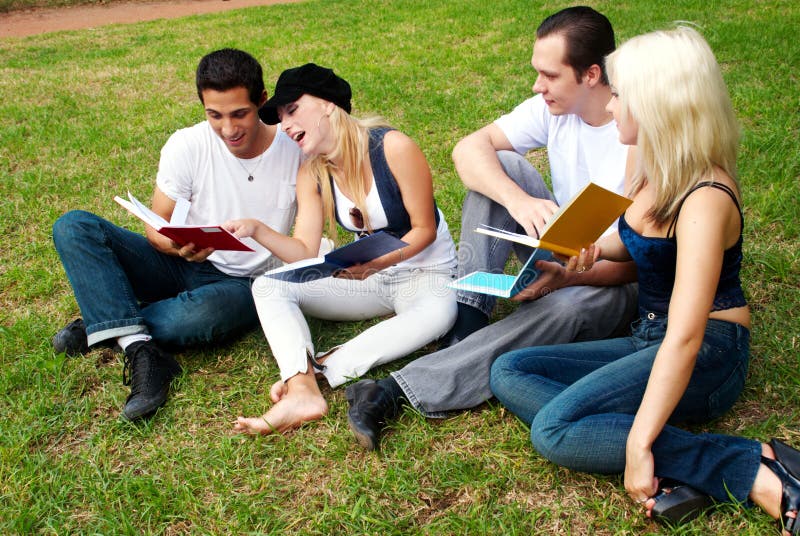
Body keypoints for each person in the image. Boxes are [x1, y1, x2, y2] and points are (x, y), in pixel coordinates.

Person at [489, 27, 800, 533]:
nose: (610, 107)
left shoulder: (706, 197)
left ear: (657, 104)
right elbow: (632, 241)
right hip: (646, 337)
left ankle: (752, 469)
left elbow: (685, 335)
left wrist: (637, 447)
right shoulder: (651, 165)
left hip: (708, 354)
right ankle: (695, 456)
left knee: (555, 430)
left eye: (620, 95)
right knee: (509, 370)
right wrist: (581, 257)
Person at [346, 5, 638, 451]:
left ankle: (396, 390)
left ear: (592, 74)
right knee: (498, 167)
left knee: (564, 310)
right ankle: (469, 321)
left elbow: (638, 263)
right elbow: (468, 150)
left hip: (611, 275)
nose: (537, 86)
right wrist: (519, 200)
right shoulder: (554, 108)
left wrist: (569, 277)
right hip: (563, 245)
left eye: (549, 75)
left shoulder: (638, 135)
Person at [51, 49, 303, 421]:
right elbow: (156, 225)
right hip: (180, 262)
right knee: (74, 226)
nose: (229, 129)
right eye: (215, 115)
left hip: (242, 283)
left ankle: (103, 322)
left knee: (198, 316)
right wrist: (176, 245)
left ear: (262, 101)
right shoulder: (187, 144)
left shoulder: (294, 148)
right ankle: (140, 348)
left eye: (240, 114)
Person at [226, 63, 458, 435]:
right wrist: (257, 230)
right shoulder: (312, 172)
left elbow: (424, 230)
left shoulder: (392, 147)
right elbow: (304, 250)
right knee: (267, 285)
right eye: (280, 116)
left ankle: (321, 369)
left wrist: (375, 264)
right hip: (370, 280)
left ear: (329, 105)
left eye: (293, 109)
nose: (285, 124)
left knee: (438, 316)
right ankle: (302, 390)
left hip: (424, 275)